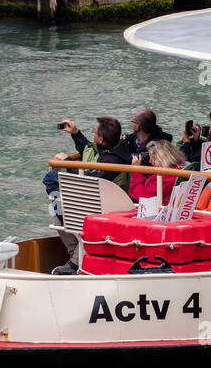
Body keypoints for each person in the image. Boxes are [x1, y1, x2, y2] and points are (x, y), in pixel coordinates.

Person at [48, 116, 134, 275]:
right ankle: (76, 256)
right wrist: (75, 133)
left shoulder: (113, 161)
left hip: (104, 206)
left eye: (94, 132)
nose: (92, 134)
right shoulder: (111, 148)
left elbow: (90, 178)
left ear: (101, 139)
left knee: (60, 213)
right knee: (57, 212)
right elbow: (88, 150)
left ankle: (76, 261)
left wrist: (67, 162)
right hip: (96, 200)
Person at [129, 140, 187, 205]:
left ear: (160, 159)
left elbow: (140, 196)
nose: (150, 161)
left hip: (159, 210)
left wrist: (136, 171)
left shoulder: (163, 178)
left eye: (152, 159)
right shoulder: (179, 170)